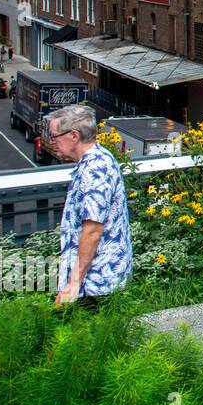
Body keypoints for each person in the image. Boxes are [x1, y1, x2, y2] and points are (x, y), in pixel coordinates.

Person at [46, 105, 132, 308]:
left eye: (55, 136)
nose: (52, 142)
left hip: (97, 284)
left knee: (86, 337)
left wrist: (73, 284)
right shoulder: (99, 158)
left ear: (74, 136)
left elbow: (93, 230)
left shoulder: (94, 170)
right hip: (99, 281)